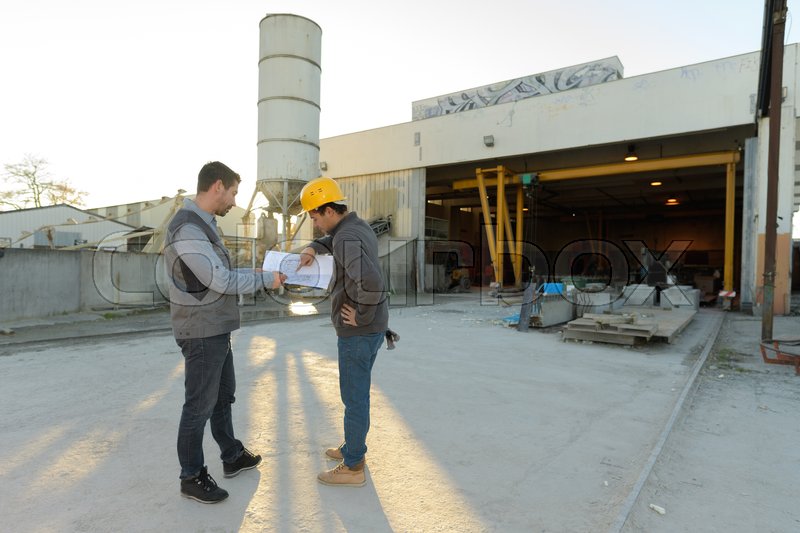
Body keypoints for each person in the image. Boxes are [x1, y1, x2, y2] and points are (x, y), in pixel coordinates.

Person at [163, 161, 285, 503]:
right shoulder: (188, 229)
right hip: (200, 330)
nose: (234, 201)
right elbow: (218, 280)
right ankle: (191, 476)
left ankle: (231, 455)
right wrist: (265, 279)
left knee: (222, 396)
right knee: (198, 406)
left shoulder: (204, 224)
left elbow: (218, 271)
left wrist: (255, 273)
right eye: (232, 193)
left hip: (215, 327)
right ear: (217, 186)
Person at [297, 176, 389, 487]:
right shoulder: (356, 226)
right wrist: (313, 247)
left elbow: (372, 282)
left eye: (314, 216)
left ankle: (353, 466)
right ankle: (353, 448)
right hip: (374, 329)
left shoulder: (345, 237)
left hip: (359, 333)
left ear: (328, 210)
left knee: (354, 397)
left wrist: (360, 316)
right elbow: (332, 238)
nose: (314, 223)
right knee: (357, 393)